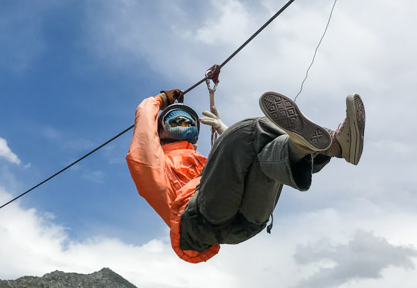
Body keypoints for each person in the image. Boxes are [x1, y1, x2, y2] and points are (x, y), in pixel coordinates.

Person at [126, 89, 365, 263]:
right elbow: (144, 123)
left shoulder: (202, 164)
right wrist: (159, 99)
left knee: (267, 155)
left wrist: (223, 130)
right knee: (251, 130)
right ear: (160, 131)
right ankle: (330, 144)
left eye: (188, 121)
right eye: (174, 120)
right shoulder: (153, 162)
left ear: (195, 136)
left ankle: (325, 147)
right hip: (198, 223)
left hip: (246, 225)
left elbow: (238, 166)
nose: (181, 122)